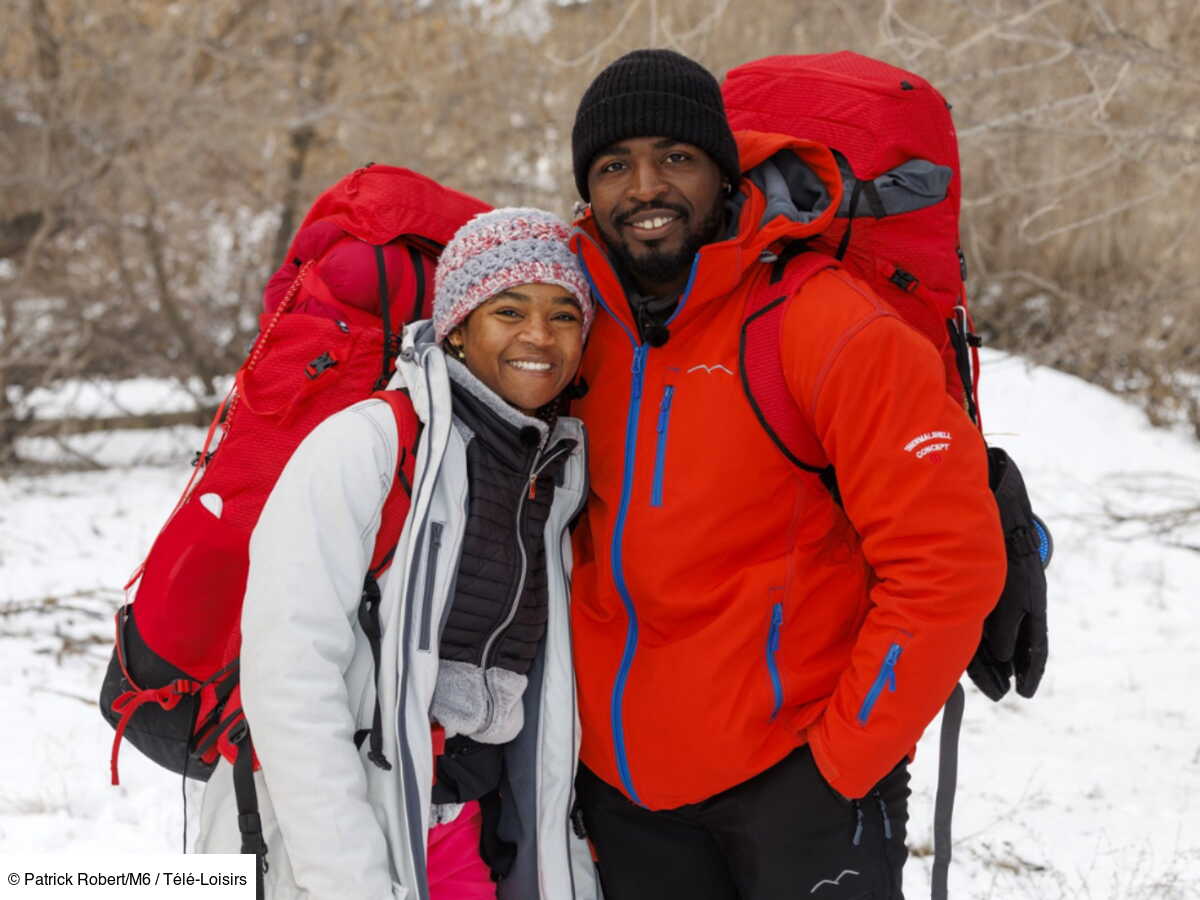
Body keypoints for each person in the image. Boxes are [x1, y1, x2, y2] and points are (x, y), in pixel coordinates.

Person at [565, 49, 1008, 899]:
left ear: (726, 174)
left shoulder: (822, 322)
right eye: (615, 165)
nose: (645, 186)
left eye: (677, 157)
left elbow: (947, 566)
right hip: (622, 791)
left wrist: (839, 765)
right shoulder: (570, 329)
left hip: (799, 786)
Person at [196, 208, 600, 900]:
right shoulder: (367, 447)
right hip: (328, 840)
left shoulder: (550, 467)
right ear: (458, 328)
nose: (540, 335)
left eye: (564, 314)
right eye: (509, 309)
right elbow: (290, 680)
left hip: (462, 829)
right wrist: (346, 879)